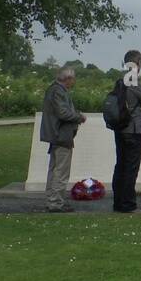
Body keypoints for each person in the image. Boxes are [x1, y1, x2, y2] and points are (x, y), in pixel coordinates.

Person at [111, 50, 141, 213]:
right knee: (131, 168)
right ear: (137, 63)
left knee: (120, 165)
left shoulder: (119, 82)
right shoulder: (135, 82)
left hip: (119, 129)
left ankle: (117, 202)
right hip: (134, 130)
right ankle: (128, 203)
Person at [40, 67, 86, 213]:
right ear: (68, 79)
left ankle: (53, 200)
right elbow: (63, 113)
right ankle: (55, 203)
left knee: (54, 169)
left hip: (56, 136)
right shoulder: (58, 91)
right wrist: (79, 117)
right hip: (61, 136)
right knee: (61, 171)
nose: (74, 81)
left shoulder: (53, 90)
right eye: (73, 78)